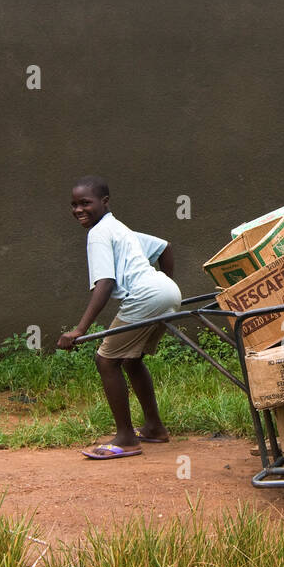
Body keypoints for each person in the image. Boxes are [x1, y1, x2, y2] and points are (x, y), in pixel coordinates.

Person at [57, 175, 181, 459]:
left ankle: (126, 438)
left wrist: (79, 329)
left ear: (105, 202)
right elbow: (165, 247)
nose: (78, 210)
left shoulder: (99, 233)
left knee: (106, 360)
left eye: (85, 203)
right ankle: (153, 428)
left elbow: (105, 283)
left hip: (149, 295)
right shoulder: (119, 229)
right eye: (74, 205)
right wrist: (162, 289)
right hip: (167, 292)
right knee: (130, 359)